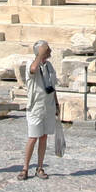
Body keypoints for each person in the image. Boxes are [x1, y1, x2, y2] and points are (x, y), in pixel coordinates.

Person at [20, 40, 59, 180]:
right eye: (47, 50)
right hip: (35, 106)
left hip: (48, 106)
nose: (50, 52)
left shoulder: (49, 66)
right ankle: (25, 168)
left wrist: (57, 104)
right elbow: (32, 70)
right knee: (33, 137)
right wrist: (40, 55)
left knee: (44, 137)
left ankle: (40, 167)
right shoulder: (32, 64)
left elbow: (52, 86)